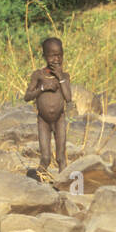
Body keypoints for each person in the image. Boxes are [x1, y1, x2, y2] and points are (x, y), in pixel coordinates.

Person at [23, 37, 72, 178]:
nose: (56, 59)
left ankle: (63, 184)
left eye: (59, 55)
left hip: (59, 119)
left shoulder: (65, 76)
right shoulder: (38, 75)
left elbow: (68, 98)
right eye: (52, 55)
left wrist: (60, 77)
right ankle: (37, 184)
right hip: (43, 121)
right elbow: (27, 96)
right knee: (45, 157)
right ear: (44, 56)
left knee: (61, 157)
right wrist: (43, 88)